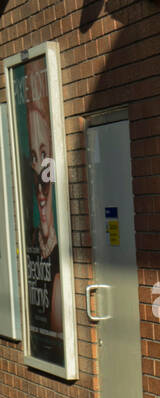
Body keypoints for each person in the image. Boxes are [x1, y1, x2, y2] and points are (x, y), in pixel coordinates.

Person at [23, 64, 63, 365]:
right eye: (33, 158)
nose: (40, 174)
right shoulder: (32, 245)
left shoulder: (62, 259)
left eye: (45, 155)